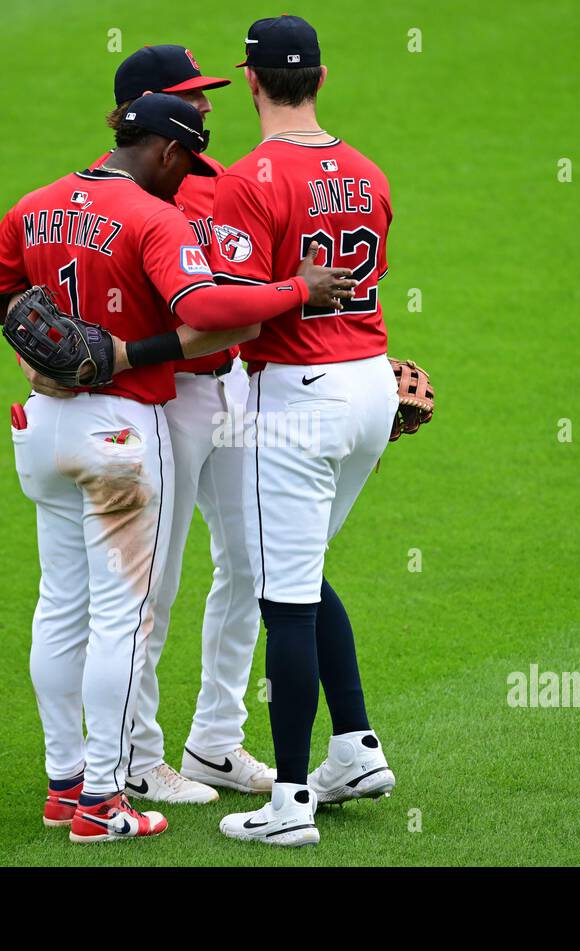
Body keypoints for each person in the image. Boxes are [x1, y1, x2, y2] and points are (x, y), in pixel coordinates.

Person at [0, 93, 354, 843]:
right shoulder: (152, 216)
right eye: (192, 159)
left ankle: (63, 783)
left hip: (41, 429)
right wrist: (301, 290)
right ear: (168, 153)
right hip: (116, 435)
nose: (193, 176)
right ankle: (103, 802)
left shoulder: (36, 203)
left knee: (59, 606)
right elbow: (204, 313)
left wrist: (40, 335)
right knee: (122, 619)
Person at [208, 16, 400, 847]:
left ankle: (288, 803)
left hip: (295, 396)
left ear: (249, 81)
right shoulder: (368, 171)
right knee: (305, 569)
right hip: (371, 383)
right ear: (321, 77)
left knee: (283, 596)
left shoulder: (246, 180)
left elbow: (230, 309)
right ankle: (354, 749)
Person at [93, 45, 274, 805]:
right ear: (145, 113)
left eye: (205, 95)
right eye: (189, 98)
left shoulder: (220, 183)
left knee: (256, 562)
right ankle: (136, 755)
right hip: (161, 401)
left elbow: (256, 290)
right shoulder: (132, 196)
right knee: (150, 585)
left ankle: (215, 742)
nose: (206, 108)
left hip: (230, 390)